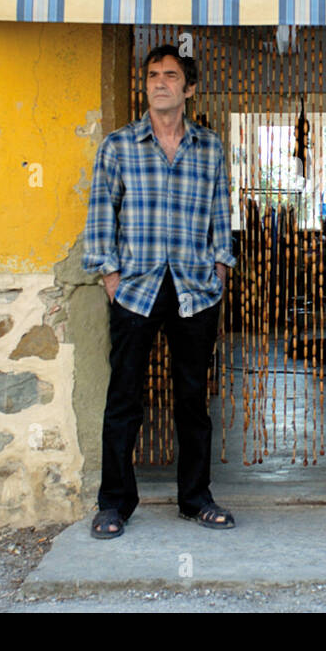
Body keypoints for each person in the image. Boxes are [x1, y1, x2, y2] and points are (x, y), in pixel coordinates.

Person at [82, 44, 237, 538]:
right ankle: (114, 503)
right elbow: (101, 211)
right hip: (136, 289)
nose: (160, 83)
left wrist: (219, 270)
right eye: (153, 75)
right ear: (144, 85)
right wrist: (110, 275)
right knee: (123, 398)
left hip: (195, 289)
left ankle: (195, 498)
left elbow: (221, 213)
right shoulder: (119, 146)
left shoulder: (209, 147)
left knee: (193, 400)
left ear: (189, 88)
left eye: (171, 75)